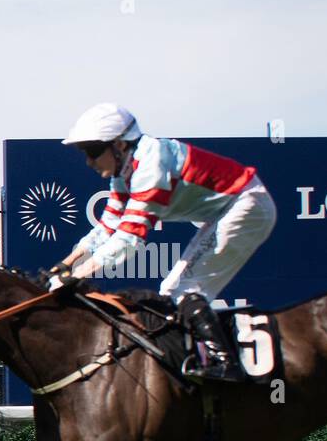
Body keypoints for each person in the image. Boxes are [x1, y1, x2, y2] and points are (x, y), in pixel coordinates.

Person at [50, 103, 276, 383]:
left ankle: (226, 363)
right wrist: (66, 263)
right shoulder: (126, 168)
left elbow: (129, 238)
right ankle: (210, 359)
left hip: (245, 205)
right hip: (227, 207)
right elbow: (108, 226)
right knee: (174, 291)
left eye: (93, 151)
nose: (89, 161)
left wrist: (77, 276)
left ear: (119, 144)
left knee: (183, 289)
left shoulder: (151, 166)